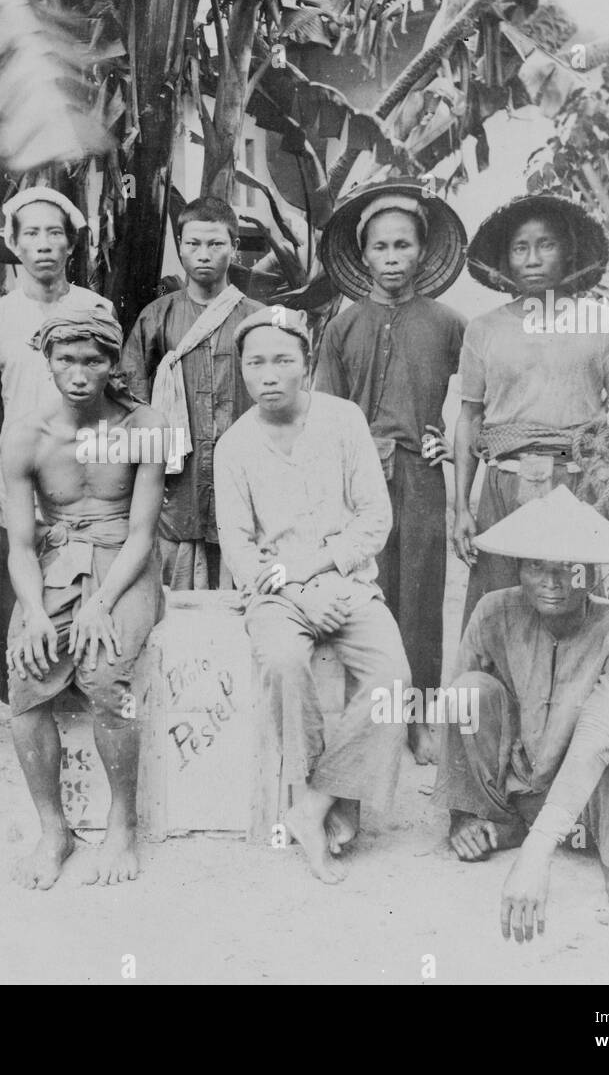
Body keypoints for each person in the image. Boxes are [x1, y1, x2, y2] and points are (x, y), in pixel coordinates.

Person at [215, 307, 409, 885]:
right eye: (255, 363)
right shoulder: (233, 446)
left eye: (282, 360)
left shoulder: (343, 421)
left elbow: (375, 519)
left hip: (346, 580)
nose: (268, 374)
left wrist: (316, 572)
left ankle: (315, 803)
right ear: (242, 371)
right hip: (276, 593)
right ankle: (317, 793)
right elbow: (238, 544)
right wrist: (296, 586)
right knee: (283, 661)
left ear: (306, 364)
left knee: (394, 682)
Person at [436, 486, 609, 941]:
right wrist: (460, 810)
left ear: (593, 573)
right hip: (528, 784)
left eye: (568, 569)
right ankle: (493, 819)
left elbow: (596, 737)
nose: (551, 582)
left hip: (600, 801)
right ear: (520, 567)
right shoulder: (493, 611)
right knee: (469, 692)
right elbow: (455, 708)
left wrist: (536, 858)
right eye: (536, 565)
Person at [0, 303, 166, 890]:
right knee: (24, 675)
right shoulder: (25, 436)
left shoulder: (143, 426)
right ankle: (54, 830)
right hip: (54, 562)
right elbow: (20, 546)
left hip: (123, 562)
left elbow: (144, 534)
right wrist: (36, 613)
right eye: (65, 359)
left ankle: (122, 823)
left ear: (111, 363)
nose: (78, 372)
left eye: (92, 360)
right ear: (47, 361)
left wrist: (101, 602)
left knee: (104, 675)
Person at [314, 179, 468, 763]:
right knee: (366, 591)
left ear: (422, 252)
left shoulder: (449, 323)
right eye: (381, 248)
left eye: (404, 246)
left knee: (422, 596)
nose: (393, 259)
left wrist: (450, 444)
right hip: (359, 482)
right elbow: (324, 414)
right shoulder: (342, 327)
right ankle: (368, 713)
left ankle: (419, 717)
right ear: (364, 254)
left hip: (420, 479)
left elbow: (480, 401)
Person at [0, 187, 117, 696]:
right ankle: (29, 687)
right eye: (31, 233)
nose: (44, 245)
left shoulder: (95, 306)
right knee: (27, 565)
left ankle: (84, 684)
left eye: (54, 233)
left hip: (84, 470)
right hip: (24, 468)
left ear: (71, 243)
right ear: (13, 243)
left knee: (85, 566)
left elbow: (110, 387)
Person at [454, 192, 609, 626]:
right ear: (506, 261)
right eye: (520, 248)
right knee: (498, 606)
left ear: (568, 253)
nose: (532, 258)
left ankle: (568, 695)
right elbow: (470, 418)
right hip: (503, 485)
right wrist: (463, 509)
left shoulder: (598, 325)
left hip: (574, 483)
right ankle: (491, 693)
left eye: (546, 245)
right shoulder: (484, 330)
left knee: (569, 609)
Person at [121, 196, 262, 589]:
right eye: (193, 243)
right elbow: (132, 401)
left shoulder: (256, 318)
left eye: (216, 244)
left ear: (234, 248)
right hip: (176, 487)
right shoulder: (157, 316)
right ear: (179, 246)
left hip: (242, 480)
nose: (204, 254)